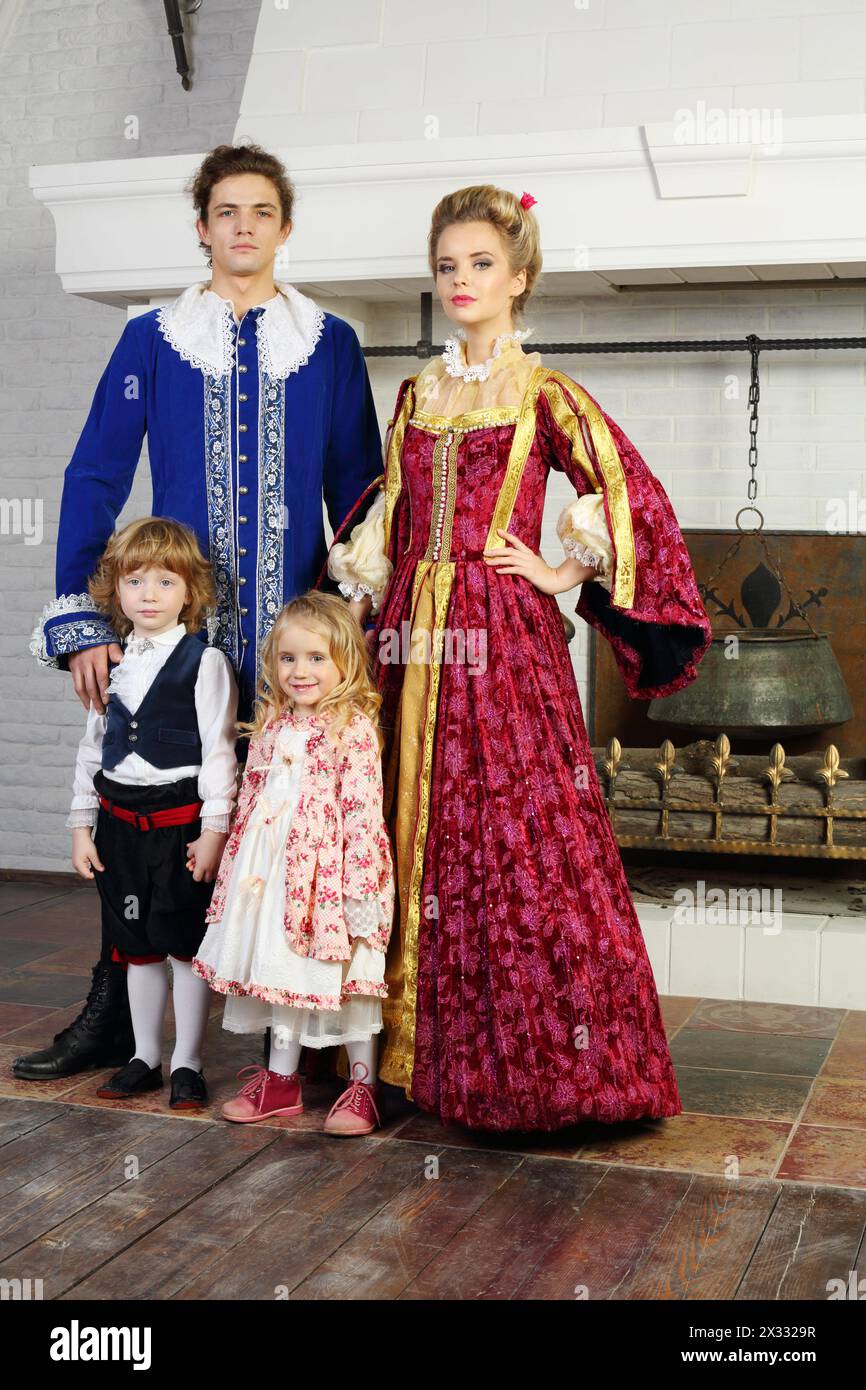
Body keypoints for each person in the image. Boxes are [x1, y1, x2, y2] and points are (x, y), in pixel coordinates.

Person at [325, 185, 713, 1132]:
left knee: (513, 827)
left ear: (521, 277)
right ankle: (406, 1063)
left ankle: (542, 1069)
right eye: (448, 266)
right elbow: (394, 519)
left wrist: (555, 568)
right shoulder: (417, 394)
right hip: (412, 638)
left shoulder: (545, 393)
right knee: (410, 821)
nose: (462, 281)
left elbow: (631, 493)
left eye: (481, 265)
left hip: (502, 635)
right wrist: (366, 601)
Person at [18, 142, 382, 1081]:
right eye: (227, 211)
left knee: (290, 835)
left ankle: (293, 1041)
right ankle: (117, 1014)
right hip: (171, 640)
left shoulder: (330, 343)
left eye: (262, 211)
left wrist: (357, 619)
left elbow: (359, 489)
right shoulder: (153, 338)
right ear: (203, 227)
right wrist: (86, 618)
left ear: (285, 227)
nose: (245, 227)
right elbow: (96, 471)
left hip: (292, 651)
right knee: (145, 826)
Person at [193, 591, 395, 1136]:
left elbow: (361, 811)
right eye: (288, 659)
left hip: (331, 875)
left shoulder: (350, 728)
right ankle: (280, 1081)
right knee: (283, 971)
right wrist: (236, 867)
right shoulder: (272, 726)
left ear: (345, 662)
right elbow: (252, 798)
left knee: (348, 978)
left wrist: (360, 890)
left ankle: (362, 1086)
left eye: (315, 658)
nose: (300, 671)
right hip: (274, 875)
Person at [65, 517, 238, 1109]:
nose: (149, 595)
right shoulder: (108, 663)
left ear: (190, 592)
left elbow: (218, 751)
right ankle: (146, 1054)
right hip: (119, 826)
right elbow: (93, 749)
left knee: (183, 944)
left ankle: (188, 1061)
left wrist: (214, 832)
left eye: (166, 582)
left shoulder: (203, 662)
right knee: (134, 944)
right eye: (135, 581)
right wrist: (82, 828)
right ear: (116, 591)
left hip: (178, 826)